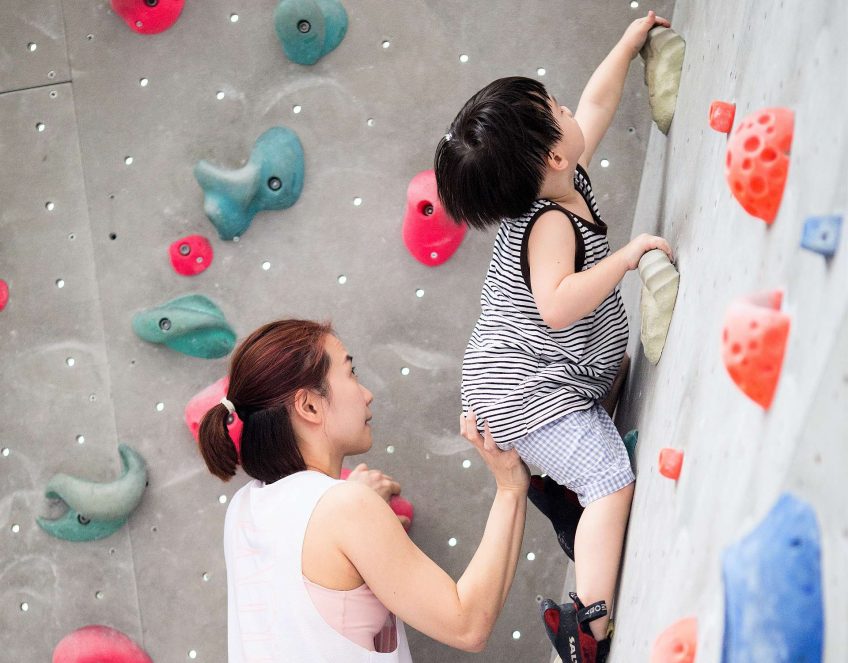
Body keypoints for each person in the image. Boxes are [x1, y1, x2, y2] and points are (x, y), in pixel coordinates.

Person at [433, 10, 674, 663]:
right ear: (552, 156)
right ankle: (588, 627)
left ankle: (555, 488)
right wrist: (623, 259)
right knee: (609, 477)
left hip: (535, 374)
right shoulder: (548, 225)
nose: (571, 104)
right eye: (555, 106)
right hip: (523, 386)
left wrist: (626, 46)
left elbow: (596, 100)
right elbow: (558, 305)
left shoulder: (565, 172)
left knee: (611, 378)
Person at [198, 319, 530, 662]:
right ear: (309, 406)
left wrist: (348, 497)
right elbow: (467, 625)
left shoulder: (242, 511)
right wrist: (510, 487)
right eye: (351, 372)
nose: (367, 394)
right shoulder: (344, 508)